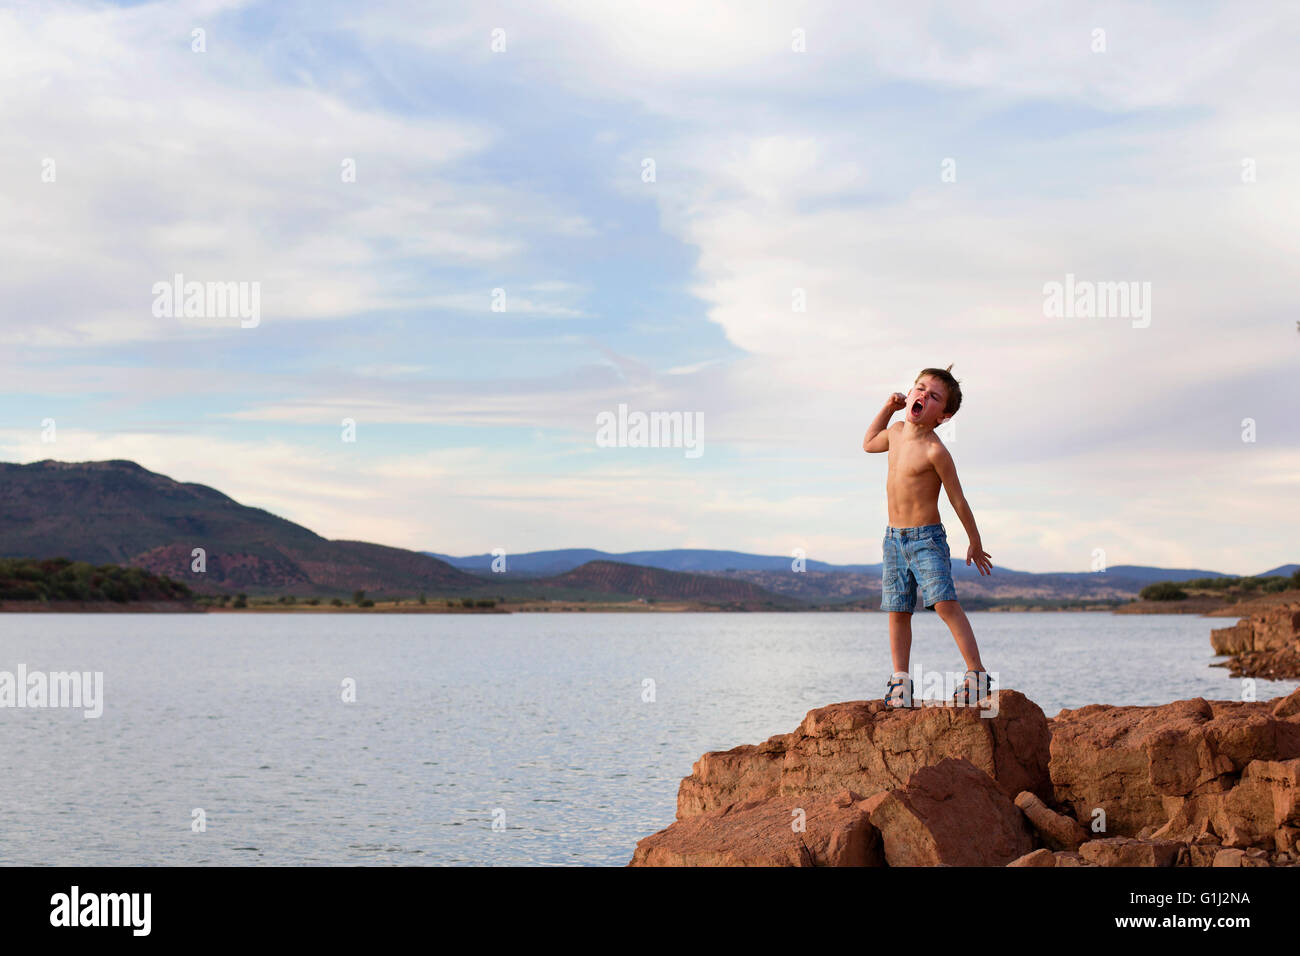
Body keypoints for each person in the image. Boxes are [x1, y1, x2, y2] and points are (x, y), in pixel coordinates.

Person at [862, 365, 994, 708]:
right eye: (919, 388)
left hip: (926, 539)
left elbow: (958, 499)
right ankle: (901, 683)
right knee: (897, 609)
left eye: (933, 396)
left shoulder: (936, 452)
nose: (922, 395)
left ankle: (976, 674)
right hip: (893, 539)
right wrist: (887, 408)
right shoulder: (895, 432)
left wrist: (974, 541)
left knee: (944, 603)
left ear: (943, 416)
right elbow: (867, 444)